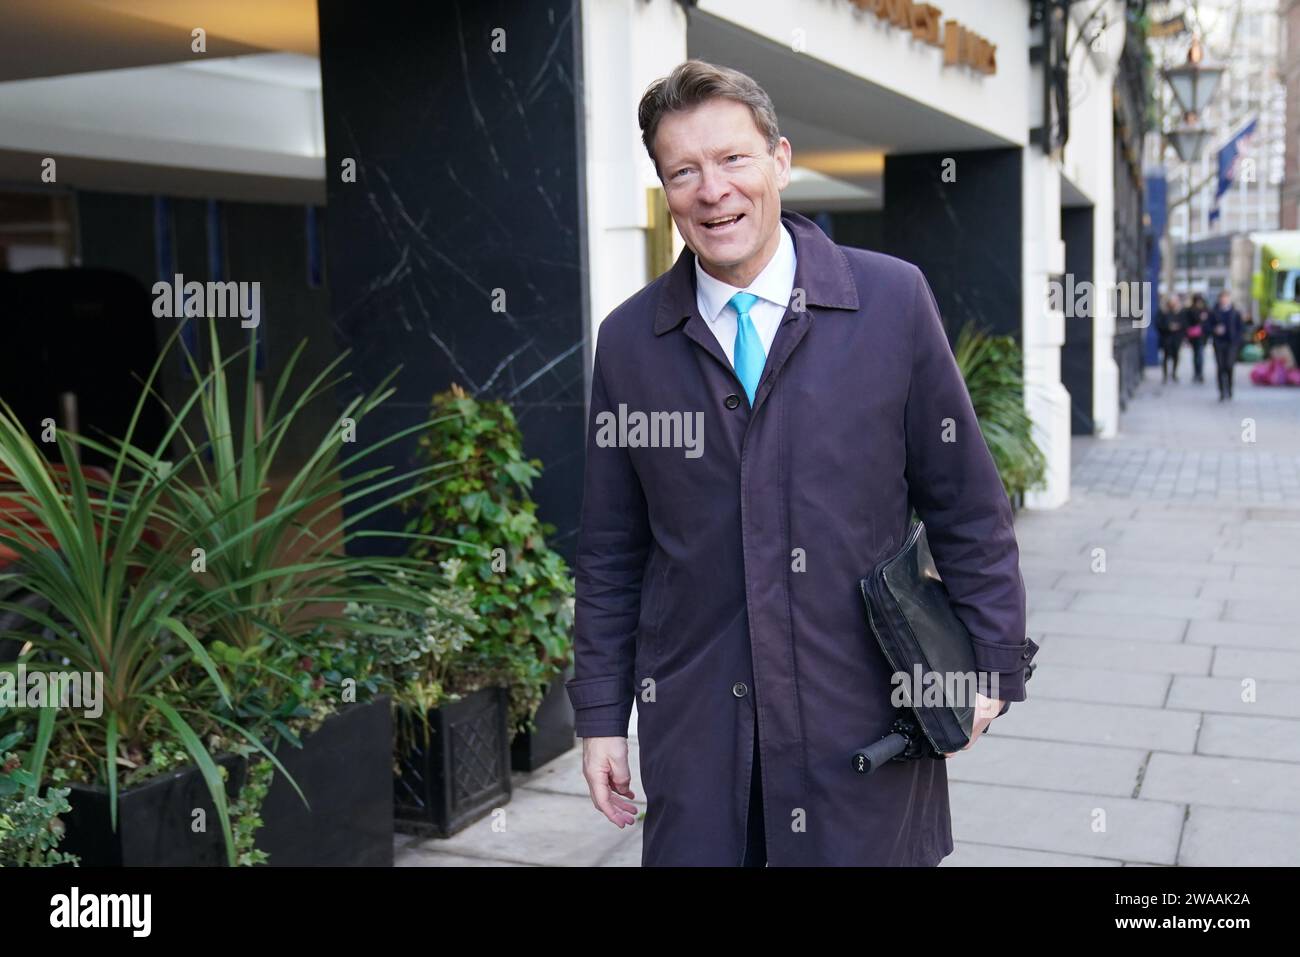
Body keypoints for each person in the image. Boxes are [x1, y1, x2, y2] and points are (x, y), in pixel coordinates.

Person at [566, 59, 1033, 867]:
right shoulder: (630, 342)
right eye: (684, 171)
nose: (713, 190)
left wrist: (991, 661)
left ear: (779, 159)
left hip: (864, 729)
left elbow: (966, 504)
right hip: (702, 740)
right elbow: (612, 548)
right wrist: (602, 714)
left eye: (732, 159)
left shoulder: (891, 302)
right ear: (665, 191)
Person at [1210, 289, 1244, 400]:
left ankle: (1229, 389)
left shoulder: (1235, 313)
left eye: (1226, 298)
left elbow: (1240, 328)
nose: (1224, 300)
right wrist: (1215, 329)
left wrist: (1238, 341)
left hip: (1231, 344)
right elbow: (1207, 326)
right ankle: (1221, 391)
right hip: (1219, 343)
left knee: (1229, 366)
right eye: (1222, 298)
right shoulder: (1214, 312)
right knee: (1220, 367)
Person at [1156, 293, 1184, 383]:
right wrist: (1168, 327)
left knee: (1176, 356)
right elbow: (1158, 323)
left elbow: (1185, 323)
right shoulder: (1163, 311)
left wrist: (1178, 327)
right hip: (1166, 337)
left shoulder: (1180, 311)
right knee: (1165, 356)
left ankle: (1174, 373)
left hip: (1177, 338)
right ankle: (1165, 375)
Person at [1184, 293, 1210, 383]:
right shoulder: (1190, 310)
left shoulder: (1206, 310)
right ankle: (1197, 373)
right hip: (1194, 337)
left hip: (1202, 337)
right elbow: (1188, 323)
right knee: (1196, 355)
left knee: (1200, 354)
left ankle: (1200, 373)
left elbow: (1208, 324)